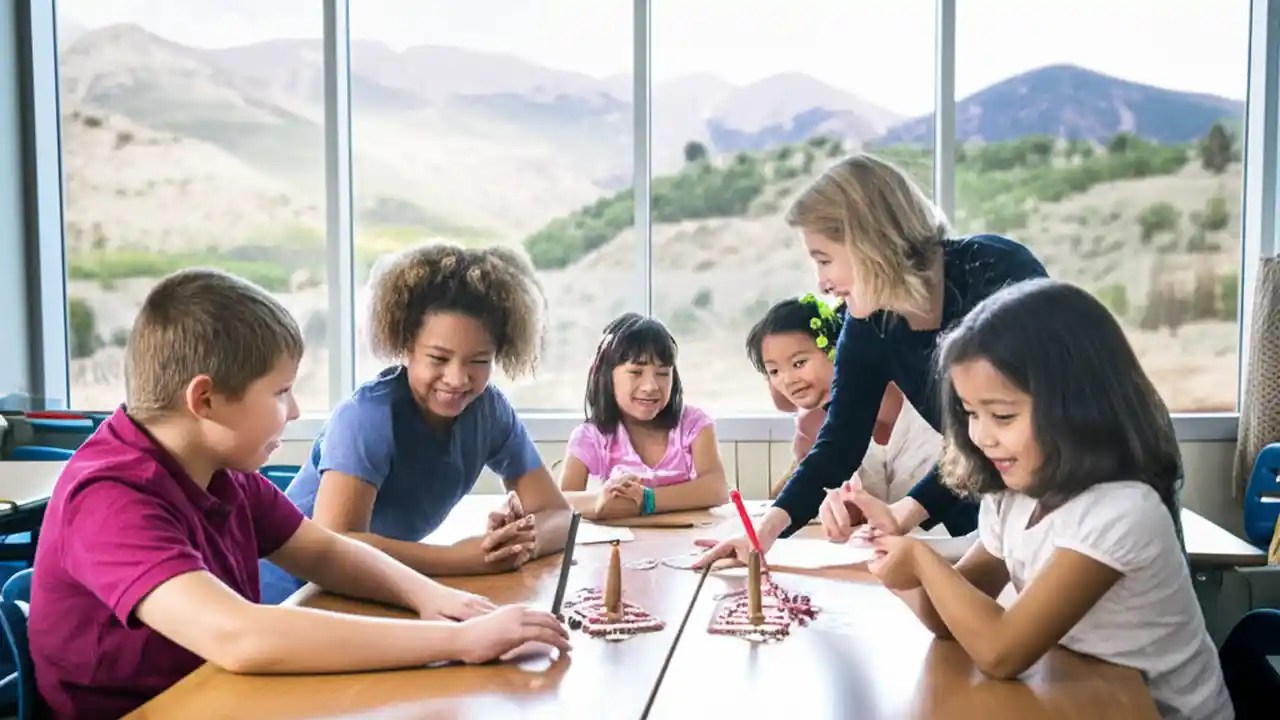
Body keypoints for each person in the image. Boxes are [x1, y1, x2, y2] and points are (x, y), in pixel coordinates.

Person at [28, 269, 570, 720]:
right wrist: (458, 642)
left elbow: (326, 550)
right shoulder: (110, 498)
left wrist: (434, 598)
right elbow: (242, 637)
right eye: (281, 391)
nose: (292, 412)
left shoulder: (223, 471)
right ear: (206, 399)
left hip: (222, 695)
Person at [866, 279, 1228, 720]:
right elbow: (953, 622)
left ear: (1078, 404)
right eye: (970, 413)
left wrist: (923, 562)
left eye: (1002, 415)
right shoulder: (1013, 497)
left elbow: (1001, 652)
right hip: (1082, 698)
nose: (980, 436)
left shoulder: (1123, 510)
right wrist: (894, 566)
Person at [696, 152, 1047, 568]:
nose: (822, 284)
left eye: (824, 259)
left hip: (1059, 496)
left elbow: (1024, 422)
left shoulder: (994, 271)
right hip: (993, 520)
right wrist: (762, 533)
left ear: (869, 240)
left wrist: (907, 510)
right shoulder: (869, 323)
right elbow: (839, 444)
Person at [258, 242, 571, 605]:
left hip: (371, 591)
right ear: (405, 344)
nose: (457, 378)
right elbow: (338, 542)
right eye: (438, 358)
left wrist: (519, 544)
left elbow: (558, 514)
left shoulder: (491, 412)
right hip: (290, 598)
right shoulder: (367, 417)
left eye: (479, 361)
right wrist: (461, 559)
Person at [744, 294, 940, 503]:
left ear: (836, 348)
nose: (788, 380)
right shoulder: (810, 424)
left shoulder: (898, 385)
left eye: (799, 363)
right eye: (774, 371)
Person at [559, 313, 729, 519]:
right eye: (636, 372)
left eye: (663, 373)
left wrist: (647, 500)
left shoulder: (693, 424)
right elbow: (560, 504)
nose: (651, 387)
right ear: (606, 375)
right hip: (621, 546)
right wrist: (599, 500)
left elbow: (717, 489)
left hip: (687, 544)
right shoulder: (591, 436)